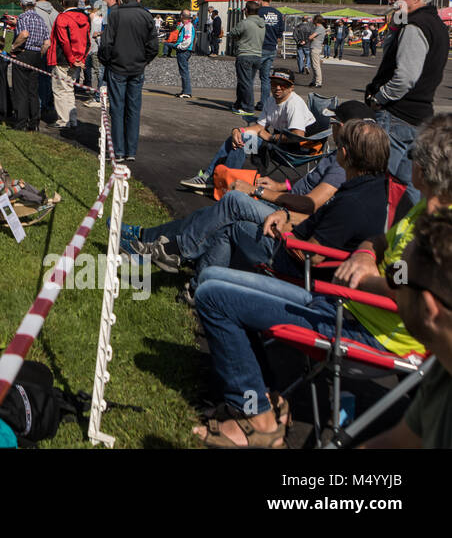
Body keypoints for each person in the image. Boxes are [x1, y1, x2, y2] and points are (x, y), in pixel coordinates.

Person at [190, 114, 451, 447]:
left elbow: (404, 281)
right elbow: (385, 244)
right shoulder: (426, 210)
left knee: (213, 296)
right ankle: (264, 399)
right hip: (342, 306)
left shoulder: (441, 229)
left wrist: (367, 279)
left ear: (422, 170)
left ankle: (257, 419)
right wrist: (367, 253)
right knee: (212, 279)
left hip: (361, 329)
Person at [123, 100, 376, 279]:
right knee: (210, 216)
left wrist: (258, 192)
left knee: (232, 201)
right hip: (285, 203)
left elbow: (312, 204)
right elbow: (312, 189)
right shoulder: (340, 158)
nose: (331, 127)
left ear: (344, 128)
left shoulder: (343, 164)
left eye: (334, 122)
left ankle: (176, 249)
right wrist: (280, 184)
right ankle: (151, 239)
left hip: (290, 218)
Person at [358, 207, 452, 449]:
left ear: (429, 309)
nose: (391, 281)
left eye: (398, 279)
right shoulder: (442, 368)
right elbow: (397, 442)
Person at [366, 0, 450, 194]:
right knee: (409, 184)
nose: (392, 3)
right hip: (418, 113)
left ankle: (384, 227)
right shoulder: (435, 24)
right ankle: (410, 227)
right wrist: (396, 25)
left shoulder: (416, 26)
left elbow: (405, 77)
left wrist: (379, 98)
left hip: (397, 114)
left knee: (381, 183)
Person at [179, 69, 312, 192]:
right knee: (237, 139)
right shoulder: (271, 101)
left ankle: (225, 184)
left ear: (291, 87)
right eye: (274, 83)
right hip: (279, 142)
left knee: (246, 141)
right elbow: (260, 128)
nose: (277, 87)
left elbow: (298, 136)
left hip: (297, 149)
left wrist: (271, 138)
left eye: (283, 85)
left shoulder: (294, 103)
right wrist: (238, 130)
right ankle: (210, 177)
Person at [97, 0, 157, 162]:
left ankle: (118, 150)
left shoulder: (115, 14)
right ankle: (131, 150)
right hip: (137, 68)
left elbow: (106, 44)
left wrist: (107, 61)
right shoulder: (146, 15)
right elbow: (153, 46)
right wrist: (144, 61)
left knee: (117, 109)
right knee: (133, 109)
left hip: (118, 67)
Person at [48, 0, 90, 129]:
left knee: (60, 90)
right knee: (69, 89)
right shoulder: (85, 17)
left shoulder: (62, 17)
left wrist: (72, 59)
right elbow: (88, 40)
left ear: (63, 3)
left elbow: (64, 41)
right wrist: (81, 58)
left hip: (63, 59)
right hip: (78, 58)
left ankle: (63, 120)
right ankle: (72, 119)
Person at [8, 0, 49, 131]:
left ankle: (21, 122)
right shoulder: (41, 20)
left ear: (21, 5)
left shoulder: (23, 18)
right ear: (35, 5)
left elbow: (24, 34)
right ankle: (34, 121)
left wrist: (14, 46)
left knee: (20, 90)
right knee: (33, 90)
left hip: (24, 53)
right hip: (37, 55)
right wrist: (40, 54)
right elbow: (47, 43)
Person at [229, 3, 265, 115]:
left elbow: (232, 33)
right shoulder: (262, 24)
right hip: (257, 55)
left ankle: (248, 108)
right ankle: (239, 104)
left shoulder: (245, 23)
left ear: (246, 11)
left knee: (245, 83)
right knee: (246, 81)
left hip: (245, 54)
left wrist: (239, 39)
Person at [257, 0, 284, 111]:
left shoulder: (258, 12)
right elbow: (280, 32)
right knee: (266, 78)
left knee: (249, 76)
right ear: (271, 0)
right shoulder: (277, 14)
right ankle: (264, 103)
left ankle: (246, 102)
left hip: (259, 47)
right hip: (272, 47)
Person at [174, 9, 195, 99]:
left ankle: (187, 91)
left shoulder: (188, 26)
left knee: (184, 71)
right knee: (183, 71)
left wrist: (179, 46)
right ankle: (185, 90)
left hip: (184, 50)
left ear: (182, 16)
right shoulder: (186, 25)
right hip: (185, 50)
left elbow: (188, 40)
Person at [307, 13, 327, 88]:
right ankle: (314, 80)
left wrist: (311, 37)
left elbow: (311, 37)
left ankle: (318, 82)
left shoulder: (319, 28)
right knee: (313, 65)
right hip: (316, 47)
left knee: (316, 66)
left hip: (315, 47)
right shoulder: (320, 28)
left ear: (316, 21)